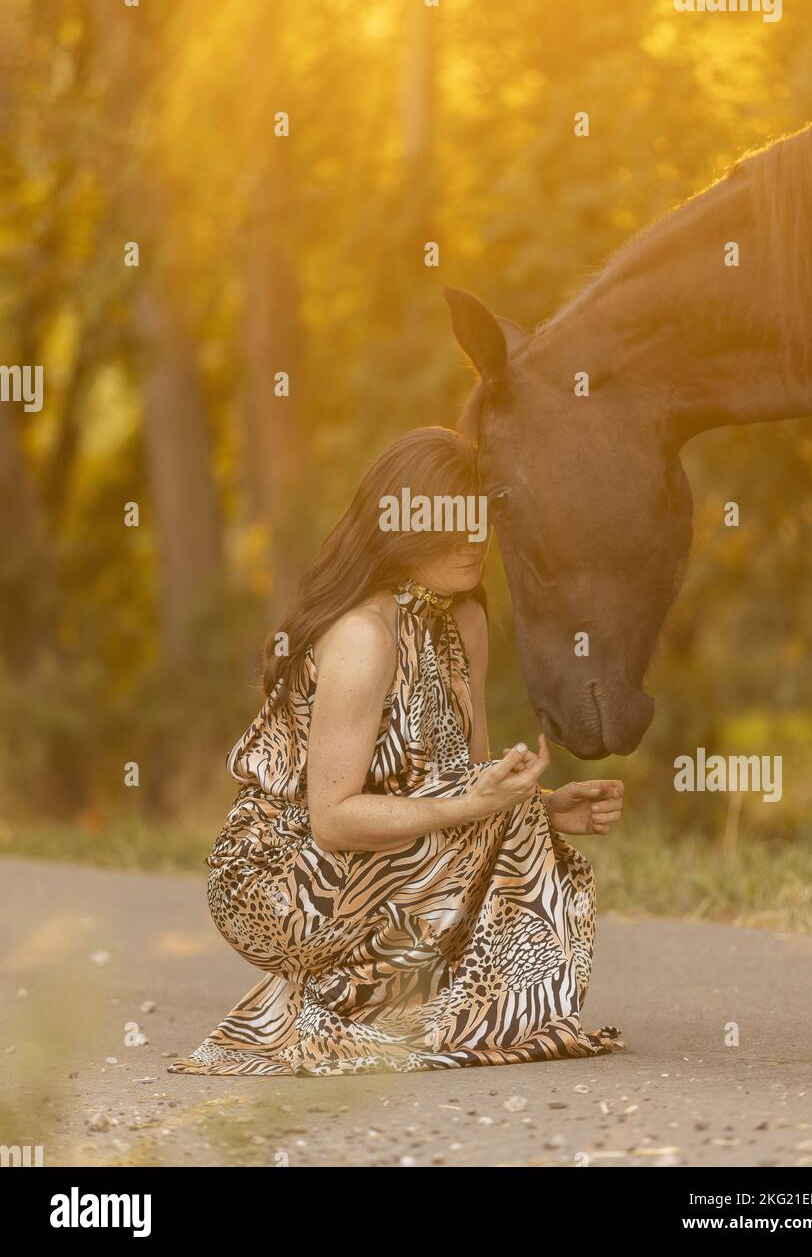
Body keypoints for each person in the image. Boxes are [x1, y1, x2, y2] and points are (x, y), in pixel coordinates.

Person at [168, 426, 623, 1076]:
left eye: (479, 517)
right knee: (486, 808)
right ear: (401, 526)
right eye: (450, 521)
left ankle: (424, 1010)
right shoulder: (363, 636)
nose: (474, 538)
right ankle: (350, 1010)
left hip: (370, 862)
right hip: (280, 874)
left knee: (516, 817)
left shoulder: (461, 617)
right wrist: (477, 801)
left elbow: (473, 784)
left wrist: (544, 807)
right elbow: (333, 817)